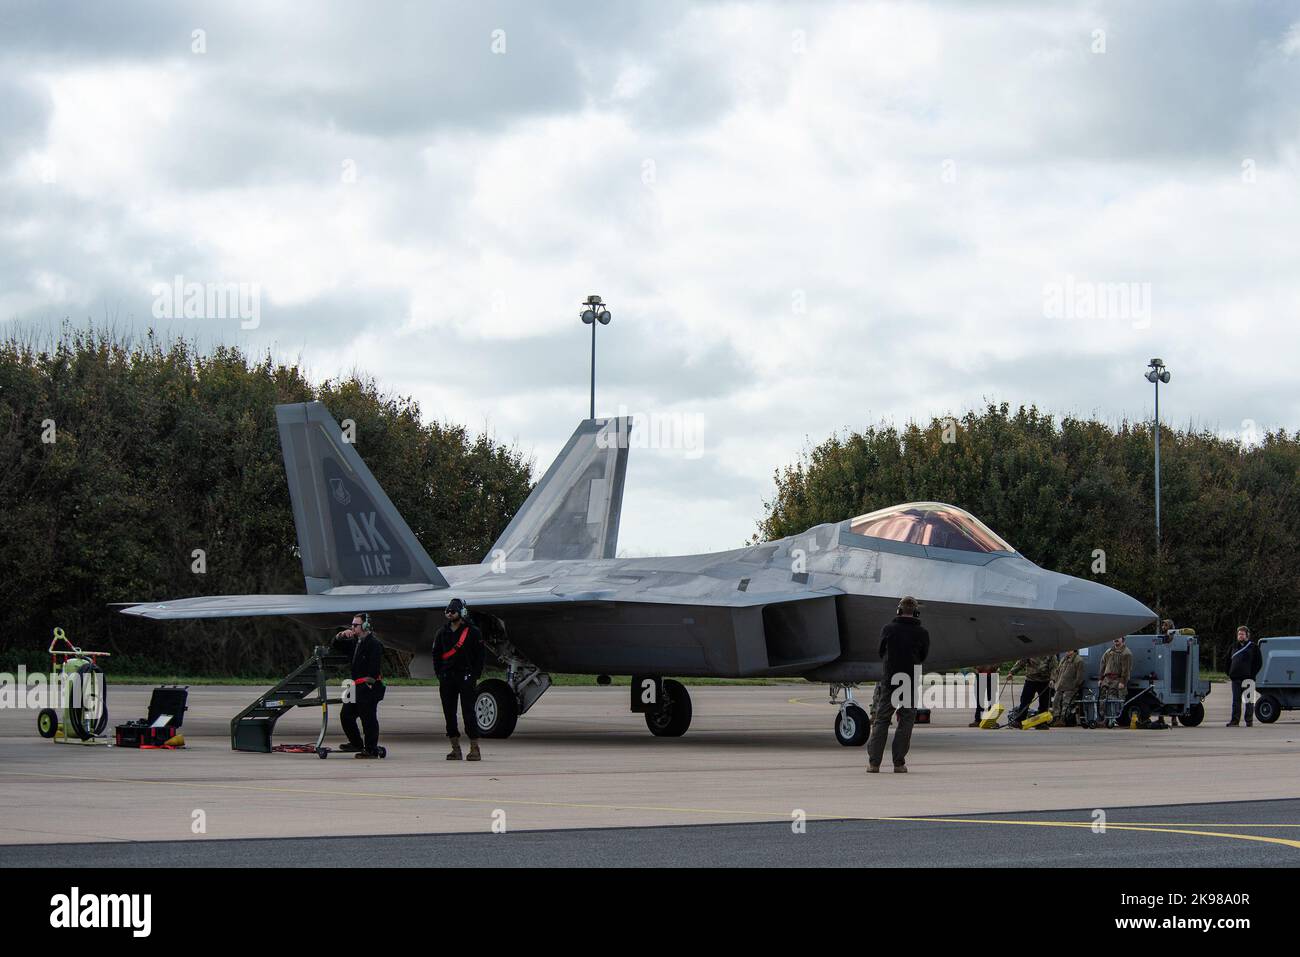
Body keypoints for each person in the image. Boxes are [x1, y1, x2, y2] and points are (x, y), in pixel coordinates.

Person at [866, 596, 930, 774]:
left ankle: (874, 763)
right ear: (916, 612)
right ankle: (898, 763)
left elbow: (880, 651)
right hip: (909, 679)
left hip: (890, 679)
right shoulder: (922, 633)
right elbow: (923, 655)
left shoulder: (888, 629)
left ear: (899, 610)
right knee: (906, 720)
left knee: (882, 720)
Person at [432, 598, 486, 760]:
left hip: (466, 677)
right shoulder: (442, 632)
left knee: (468, 712)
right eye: (447, 611)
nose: (450, 614)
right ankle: (455, 748)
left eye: (453, 611)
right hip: (448, 678)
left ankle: (474, 748)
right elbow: (436, 656)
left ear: (462, 612)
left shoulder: (473, 632)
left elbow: (480, 656)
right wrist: (440, 674)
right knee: (449, 713)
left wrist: (474, 675)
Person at [332, 613, 386, 758]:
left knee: (368, 719)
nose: (352, 627)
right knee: (346, 715)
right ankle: (356, 743)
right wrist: (340, 636)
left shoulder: (374, 644)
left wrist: (367, 685)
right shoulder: (355, 642)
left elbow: (373, 670)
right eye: (352, 625)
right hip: (354, 685)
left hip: (368, 686)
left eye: (356, 625)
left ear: (365, 626)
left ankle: (371, 749)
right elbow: (336, 645)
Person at [1227, 625, 1264, 727]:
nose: (1240, 636)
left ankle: (1249, 721)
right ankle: (1234, 721)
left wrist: (1252, 675)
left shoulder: (1253, 647)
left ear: (1247, 635)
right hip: (1236, 679)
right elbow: (1227, 661)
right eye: (1239, 634)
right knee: (1236, 701)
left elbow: (1258, 663)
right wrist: (1230, 674)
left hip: (1248, 679)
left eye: (1242, 634)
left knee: (1249, 701)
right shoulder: (1233, 646)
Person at [1007, 655, 1054, 728]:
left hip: (1045, 680)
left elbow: (1054, 667)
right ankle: (1019, 721)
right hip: (1031, 680)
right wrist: (1012, 672)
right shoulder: (1031, 650)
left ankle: (1041, 722)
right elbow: (1021, 662)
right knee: (1025, 701)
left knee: (1044, 703)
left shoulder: (1050, 652)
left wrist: (1052, 679)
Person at [1098, 635, 1133, 725]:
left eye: (1118, 637)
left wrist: (1122, 682)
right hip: (1107, 679)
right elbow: (1102, 665)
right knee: (1102, 699)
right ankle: (1103, 719)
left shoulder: (1126, 653)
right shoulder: (1109, 652)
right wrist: (1101, 678)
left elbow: (1126, 670)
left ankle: (1111, 719)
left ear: (1123, 639)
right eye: (1114, 637)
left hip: (1117, 680)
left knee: (1113, 699)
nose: (1116, 639)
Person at [1050, 649, 1086, 727]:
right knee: (1055, 701)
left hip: (1070, 687)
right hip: (1060, 686)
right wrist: (1053, 680)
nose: (1067, 651)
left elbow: (1080, 676)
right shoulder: (1063, 659)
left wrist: (1075, 685)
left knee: (1066, 703)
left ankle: (1063, 719)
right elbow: (1057, 671)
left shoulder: (1078, 660)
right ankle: (1056, 718)